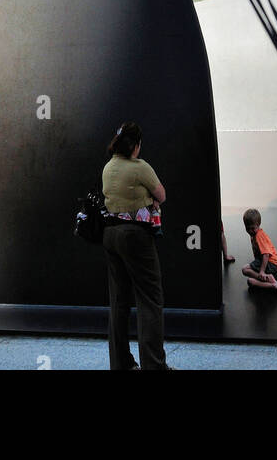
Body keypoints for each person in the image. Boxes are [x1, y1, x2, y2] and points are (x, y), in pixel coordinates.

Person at [101, 120, 170, 371]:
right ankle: (153, 366)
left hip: (110, 236)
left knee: (118, 300)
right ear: (136, 145)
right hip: (136, 237)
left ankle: (120, 364)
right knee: (149, 299)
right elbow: (162, 195)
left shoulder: (108, 168)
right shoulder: (140, 167)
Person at [241, 208, 277, 295]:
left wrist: (261, 272)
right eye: (247, 228)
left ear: (258, 224)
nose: (250, 231)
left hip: (272, 265)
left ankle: (269, 278)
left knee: (245, 269)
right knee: (250, 281)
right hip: (270, 267)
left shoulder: (259, 235)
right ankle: (275, 285)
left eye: (253, 228)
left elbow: (266, 255)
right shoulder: (254, 234)